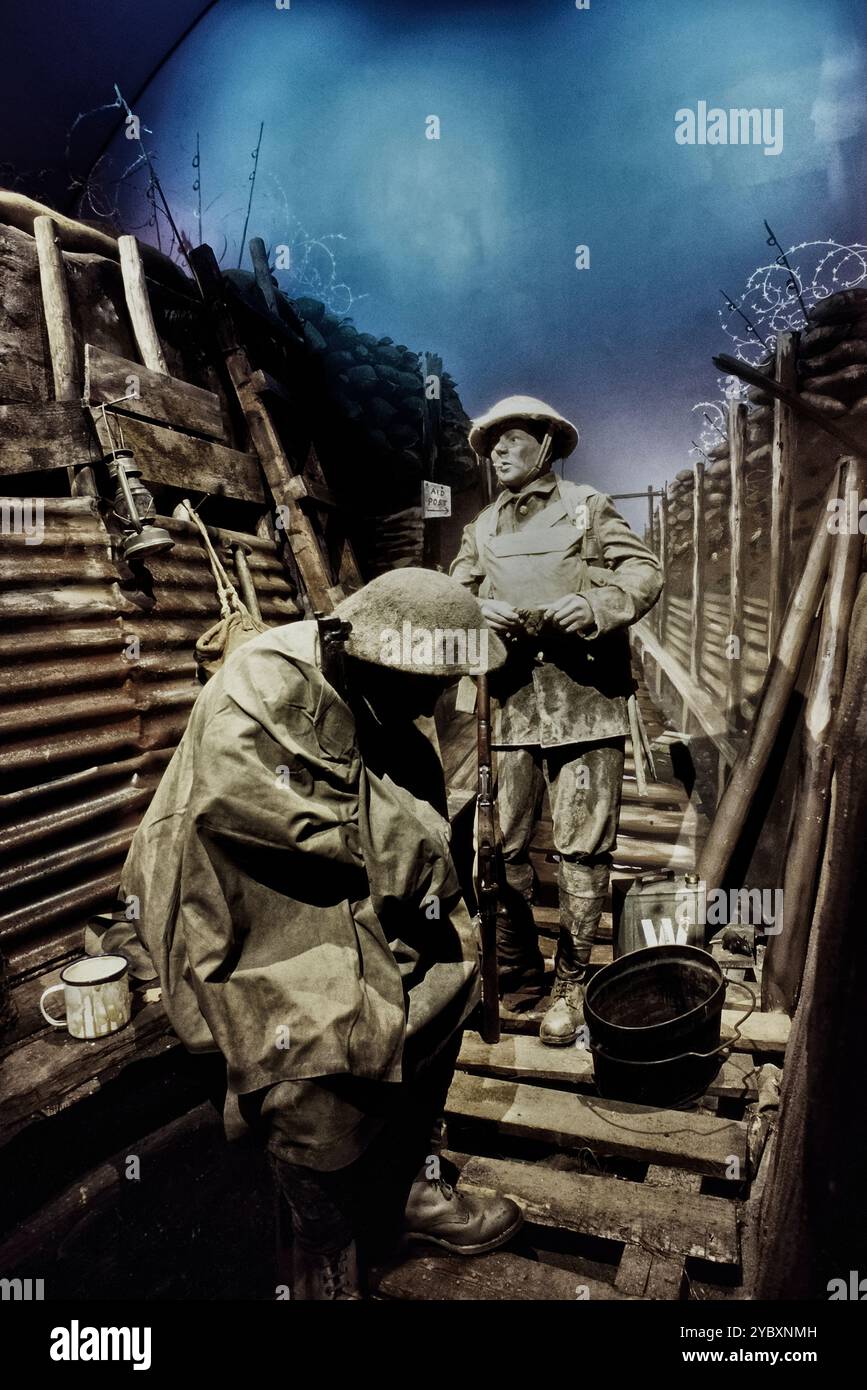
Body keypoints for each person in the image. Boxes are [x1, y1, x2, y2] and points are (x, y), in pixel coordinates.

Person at [100, 569, 522, 1299]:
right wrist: (421, 853)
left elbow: (404, 818)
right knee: (313, 1040)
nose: (435, 699)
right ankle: (324, 1251)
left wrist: (430, 876)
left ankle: (408, 1189)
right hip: (235, 901)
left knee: (450, 968)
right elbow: (293, 828)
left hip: (330, 890)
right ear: (370, 654)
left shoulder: (375, 696)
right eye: (426, 680)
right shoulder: (260, 689)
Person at [450, 397, 663, 1045]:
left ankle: (571, 982)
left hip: (582, 701)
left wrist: (595, 604)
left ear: (545, 446)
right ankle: (519, 961)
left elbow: (643, 570)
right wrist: (471, 608)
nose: (500, 452)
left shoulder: (587, 507)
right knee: (504, 847)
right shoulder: (481, 528)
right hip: (507, 703)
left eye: (513, 439)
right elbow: (453, 587)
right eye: (492, 444)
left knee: (580, 849)